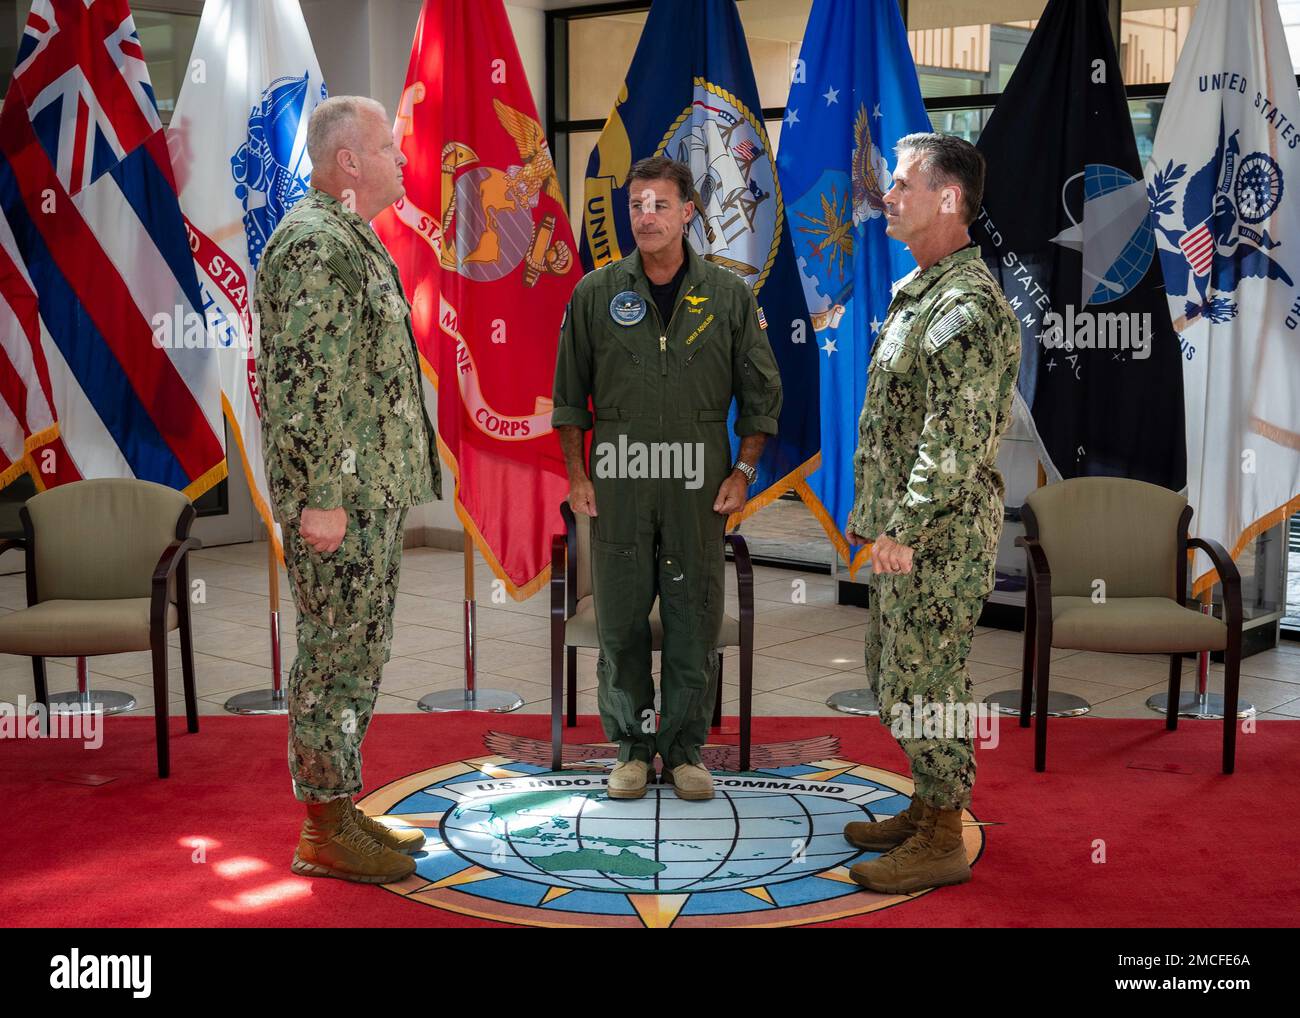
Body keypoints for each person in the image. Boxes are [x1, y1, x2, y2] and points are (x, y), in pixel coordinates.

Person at [551, 156, 782, 802]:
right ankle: (630, 748)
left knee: (693, 617)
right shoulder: (595, 294)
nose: (645, 217)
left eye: (659, 205)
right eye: (636, 206)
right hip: (619, 479)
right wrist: (577, 476)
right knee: (621, 618)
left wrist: (743, 469)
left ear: (688, 212)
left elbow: (763, 393)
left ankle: (682, 752)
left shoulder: (730, 297)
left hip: (698, 483)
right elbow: (569, 398)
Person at [254, 95, 441, 884]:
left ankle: (340, 804)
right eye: (390, 150)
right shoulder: (313, 245)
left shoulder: (351, 237)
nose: (403, 161)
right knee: (335, 653)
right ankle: (323, 829)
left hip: (368, 495)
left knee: (359, 650)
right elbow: (306, 387)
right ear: (350, 163)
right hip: (340, 502)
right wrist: (321, 496)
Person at [842, 133, 1019, 894]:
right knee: (898, 674)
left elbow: (954, 437)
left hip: (935, 540)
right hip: (908, 533)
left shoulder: (966, 304)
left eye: (905, 183)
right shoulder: (922, 288)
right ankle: (926, 804)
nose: (889, 194)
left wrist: (905, 530)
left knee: (927, 681)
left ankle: (944, 833)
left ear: (949, 199)